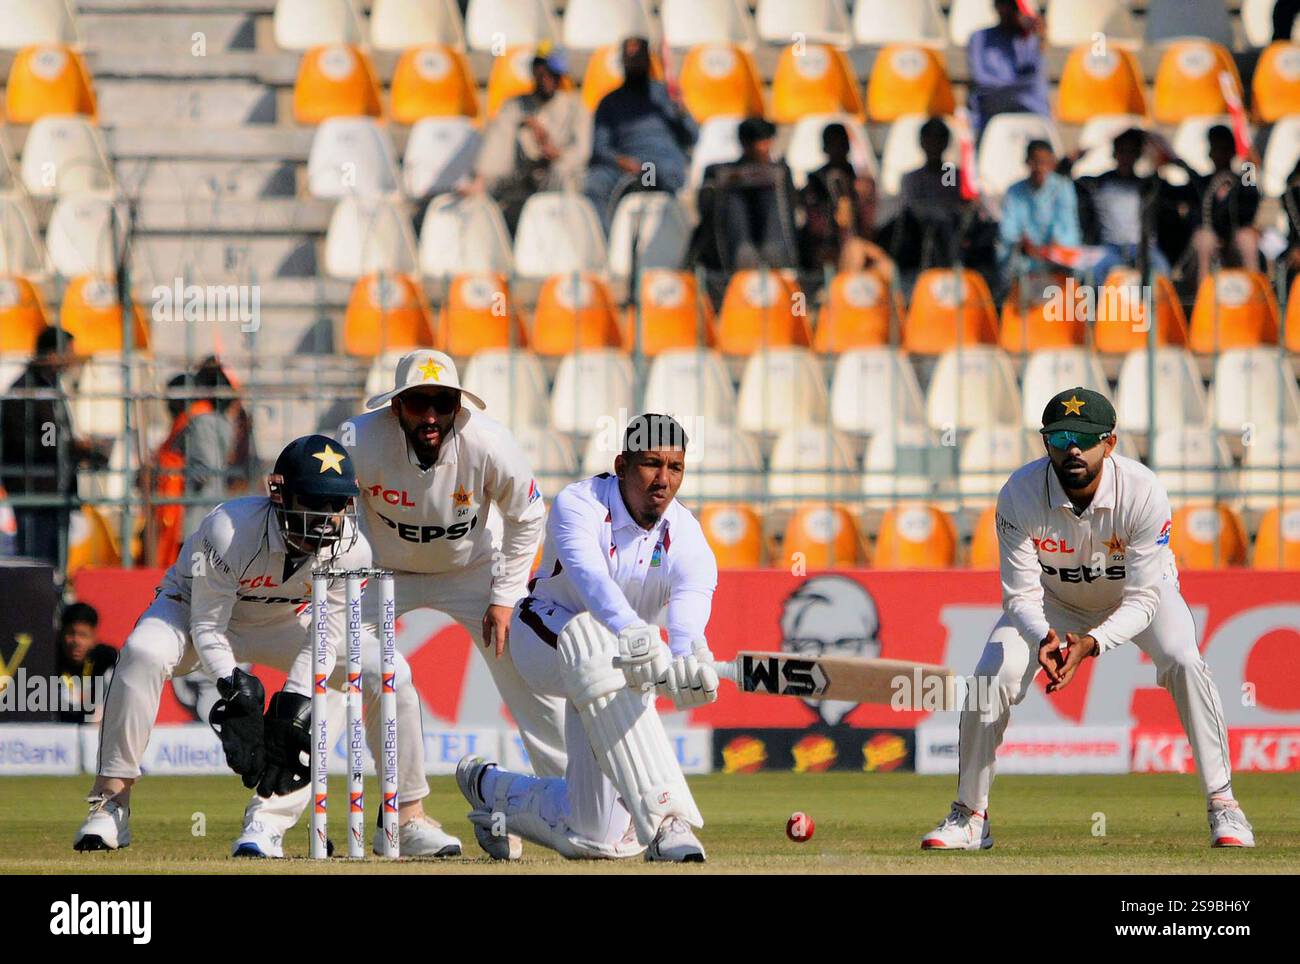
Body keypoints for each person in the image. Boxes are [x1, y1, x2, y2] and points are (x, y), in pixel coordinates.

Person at [234, 349, 566, 862]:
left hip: (471, 571)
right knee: (339, 676)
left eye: (442, 403)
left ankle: (581, 808)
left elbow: (527, 517)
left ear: (458, 405)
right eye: (417, 404)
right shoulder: (357, 439)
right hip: (376, 571)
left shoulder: (490, 442)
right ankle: (270, 822)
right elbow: (322, 501)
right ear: (396, 407)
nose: (430, 416)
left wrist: (504, 597)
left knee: (529, 674)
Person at [74, 435, 459, 858]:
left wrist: (293, 702)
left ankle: (402, 816)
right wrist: (234, 688)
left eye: (334, 505)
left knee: (388, 671)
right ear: (279, 493)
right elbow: (207, 625)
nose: (324, 518)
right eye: (312, 500)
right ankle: (112, 802)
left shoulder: (352, 548)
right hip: (191, 612)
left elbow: (327, 635)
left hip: (284, 620)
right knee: (144, 652)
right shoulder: (229, 529)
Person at [921, 388, 1253, 851]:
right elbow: (1019, 594)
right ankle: (969, 816)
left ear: (1110, 443)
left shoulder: (1142, 492)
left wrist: (1091, 643)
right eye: (1061, 438)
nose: (1073, 448)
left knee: (1183, 659)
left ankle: (1224, 805)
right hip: (1051, 604)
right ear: (1045, 443)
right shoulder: (1019, 493)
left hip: (1137, 599)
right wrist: (1043, 638)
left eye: (1085, 437)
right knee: (990, 677)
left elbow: (1143, 598)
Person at [454, 413, 720, 862]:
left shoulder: (687, 533)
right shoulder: (579, 503)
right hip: (544, 637)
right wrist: (637, 635)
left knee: (596, 836)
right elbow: (593, 584)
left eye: (675, 468)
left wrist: (690, 656)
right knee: (597, 646)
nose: (663, 480)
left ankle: (491, 791)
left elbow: (691, 604)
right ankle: (667, 820)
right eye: (651, 464)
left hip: (617, 668)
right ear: (621, 465)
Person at [0, 327, 106, 570]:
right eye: (68, 353)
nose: (71, 360)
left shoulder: (48, 387)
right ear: (52, 354)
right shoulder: (32, 390)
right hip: (37, 491)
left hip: (53, 490)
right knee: (37, 562)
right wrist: (75, 446)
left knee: (53, 562)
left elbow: (51, 436)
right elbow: (46, 440)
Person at [467, 43, 592, 233]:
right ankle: (481, 185)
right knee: (506, 130)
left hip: (558, 176)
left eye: (553, 74)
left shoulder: (576, 108)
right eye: (542, 71)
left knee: (564, 172)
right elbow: (499, 143)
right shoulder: (515, 106)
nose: (547, 79)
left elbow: (582, 151)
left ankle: (561, 231)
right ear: (534, 71)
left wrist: (557, 154)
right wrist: (527, 129)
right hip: (520, 174)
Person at [585, 36, 697, 230]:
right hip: (623, 165)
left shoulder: (665, 95)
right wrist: (622, 161)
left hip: (659, 163)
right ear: (623, 62)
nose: (635, 64)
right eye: (630, 59)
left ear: (647, 60)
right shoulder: (610, 102)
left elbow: (692, 136)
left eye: (639, 58)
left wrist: (681, 110)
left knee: (650, 180)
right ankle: (608, 245)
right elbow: (599, 148)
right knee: (595, 184)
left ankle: (658, 241)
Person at [691, 116, 800, 282]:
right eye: (761, 142)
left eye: (768, 141)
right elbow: (704, 208)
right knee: (733, 197)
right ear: (745, 144)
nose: (766, 147)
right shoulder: (720, 171)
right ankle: (744, 255)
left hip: (777, 248)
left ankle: (773, 253)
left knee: (772, 189)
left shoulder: (781, 172)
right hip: (736, 251)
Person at [1073, 128, 1184, 284]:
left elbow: (1190, 189)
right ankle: (1098, 308)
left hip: (1142, 248)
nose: (1126, 157)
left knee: (1162, 271)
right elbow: (1061, 180)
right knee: (1090, 273)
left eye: (1131, 152)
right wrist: (1075, 157)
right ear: (1114, 153)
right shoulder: (1096, 184)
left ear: (1138, 155)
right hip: (1109, 248)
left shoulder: (1150, 186)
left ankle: (1149, 308)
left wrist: (1171, 158)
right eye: (1122, 152)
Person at [799, 122, 891, 277]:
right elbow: (815, 229)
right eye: (833, 144)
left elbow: (869, 227)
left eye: (841, 144)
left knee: (886, 266)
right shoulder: (815, 183)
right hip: (828, 251)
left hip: (860, 245)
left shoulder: (862, 182)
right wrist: (835, 217)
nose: (838, 149)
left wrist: (861, 200)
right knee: (855, 250)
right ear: (825, 148)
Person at [997, 140, 1080, 289]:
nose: (1040, 168)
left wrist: (1056, 245)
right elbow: (1008, 230)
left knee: (1075, 266)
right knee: (1010, 263)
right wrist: (1022, 242)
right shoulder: (1014, 191)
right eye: (1035, 162)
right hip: (1024, 258)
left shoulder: (1063, 187)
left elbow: (1069, 228)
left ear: (1052, 163)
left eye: (1044, 162)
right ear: (1027, 162)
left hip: (1056, 257)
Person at [966, 0, 1050, 140]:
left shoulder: (1031, 39)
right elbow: (981, 79)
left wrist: (1039, 40)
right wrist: (1015, 86)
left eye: (1015, 8)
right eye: (1006, 4)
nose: (1010, 11)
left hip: (1029, 110)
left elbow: (1034, 79)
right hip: (990, 112)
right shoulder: (979, 38)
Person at [1190, 125, 1261, 280]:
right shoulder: (1202, 183)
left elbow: (1250, 205)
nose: (1221, 154)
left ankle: (1254, 294)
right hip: (1211, 241)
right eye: (1217, 149)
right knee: (1204, 238)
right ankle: (1205, 296)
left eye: (1225, 149)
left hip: (1235, 240)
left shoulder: (1242, 181)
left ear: (1232, 152)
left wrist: (1249, 168)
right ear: (1210, 153)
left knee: (1247, 238)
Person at [55, 602, 117, 724]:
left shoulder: (106, 659)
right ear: (61, 635)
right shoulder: (50, 659)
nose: (76, 641)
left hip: (96, 730)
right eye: (70, 634)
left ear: (93, 638)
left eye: (83, 635)